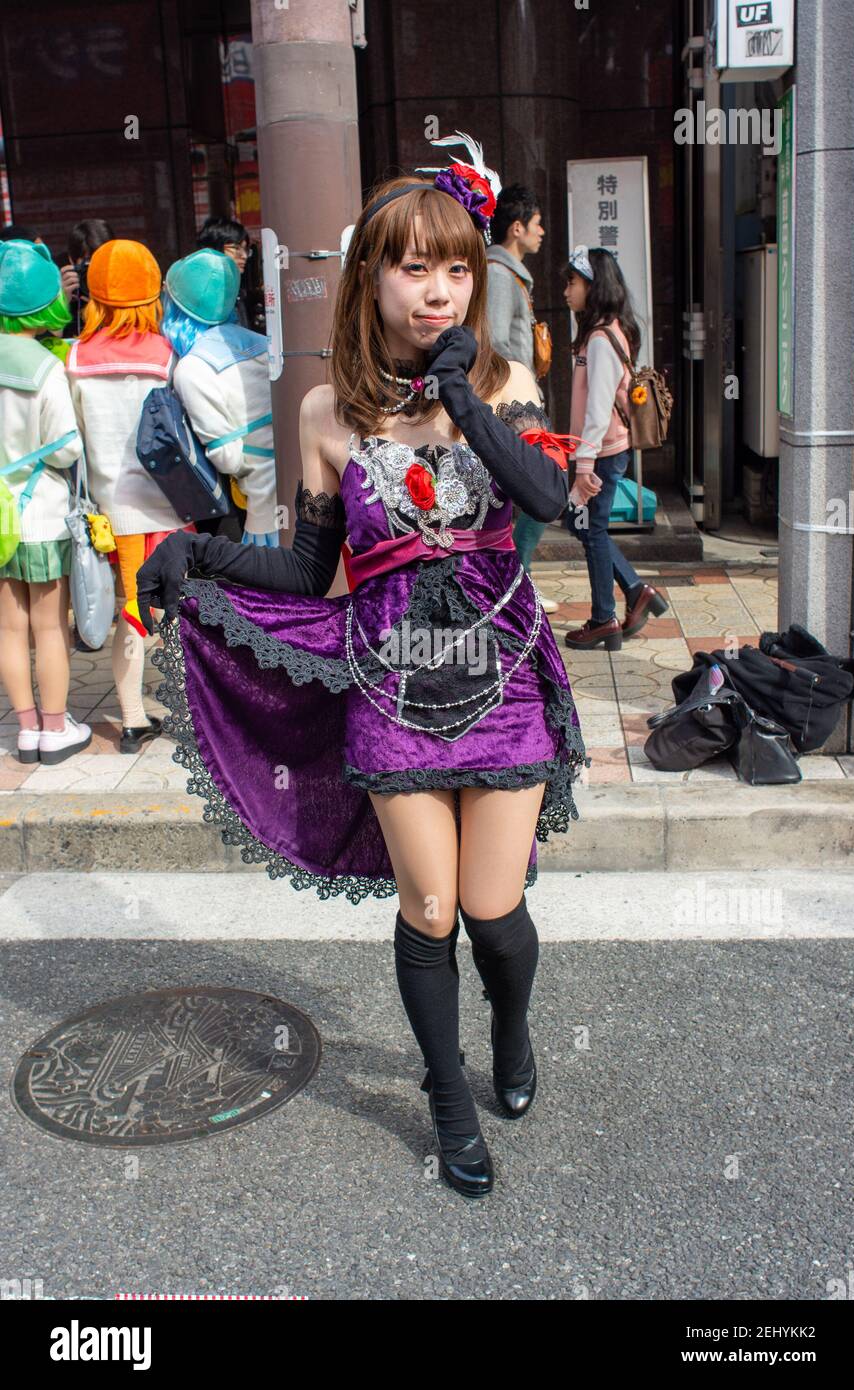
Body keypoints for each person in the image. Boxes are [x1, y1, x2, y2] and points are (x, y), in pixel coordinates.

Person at [135, 146, 587, 1201]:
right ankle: (444, 1096)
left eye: (456, 270)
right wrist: (196, 550)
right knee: (429, 908)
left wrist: (461, 402)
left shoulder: (504, 384)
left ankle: (509, 1031)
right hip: (389, 688)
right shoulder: (324, 416)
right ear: (370, 279)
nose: (436, 289)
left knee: (496, 911)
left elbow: (544, 499)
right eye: (413, 268)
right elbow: (302, 567)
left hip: (503, 675)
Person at [66, 239, 197, 753]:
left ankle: (133, 720)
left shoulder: (76, 358)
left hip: (113, 514)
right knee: (180, 611)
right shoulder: (168, 355)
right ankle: (196, 714)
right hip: (170, 506)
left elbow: (74, 441)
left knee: (133, 614)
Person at [0, 239, 88, 764]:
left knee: (8, 628)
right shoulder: (44, 367)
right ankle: (56, 729)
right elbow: (67, 450)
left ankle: (26, 728)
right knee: (50, 626)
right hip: (40, 518)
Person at [562, 246, 669, 651]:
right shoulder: (604, 331)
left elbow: (597, 407)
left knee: (591, 529)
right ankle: (635, 590)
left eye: (572, 282)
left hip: (602, 451)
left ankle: (604, 619)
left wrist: (584, 464)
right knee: (583, 525)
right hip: (601, 449)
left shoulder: (601, 339)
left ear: (593, 286)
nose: (567, 291)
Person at [161, 248, 277, 545]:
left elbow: (228, 458)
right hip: (296, 504)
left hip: (262, 519)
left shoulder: (191, 370)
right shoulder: (266, 345)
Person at [485, 184, 559, 615]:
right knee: (539, 494)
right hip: (511, 410)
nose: (543, 232)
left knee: (539, 495)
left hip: (522, 405)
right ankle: (514, 584)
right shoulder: (498, 275)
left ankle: (517, 582)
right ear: (516, 228)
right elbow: (494, 342)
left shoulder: (509, 274)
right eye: (537, 224)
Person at [195, 216, 253, 328]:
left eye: (246, 249)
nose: (244, 256)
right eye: (236, 248)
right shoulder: (201, 293)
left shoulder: (236, 291)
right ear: (214, 248)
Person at [62, 218, 115, 337]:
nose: (95, 272)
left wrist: (109, 307)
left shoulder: (126, 295)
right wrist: (62, 303)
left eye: (101, 262)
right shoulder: (67, 298)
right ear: (72, 261)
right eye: (89, 265)